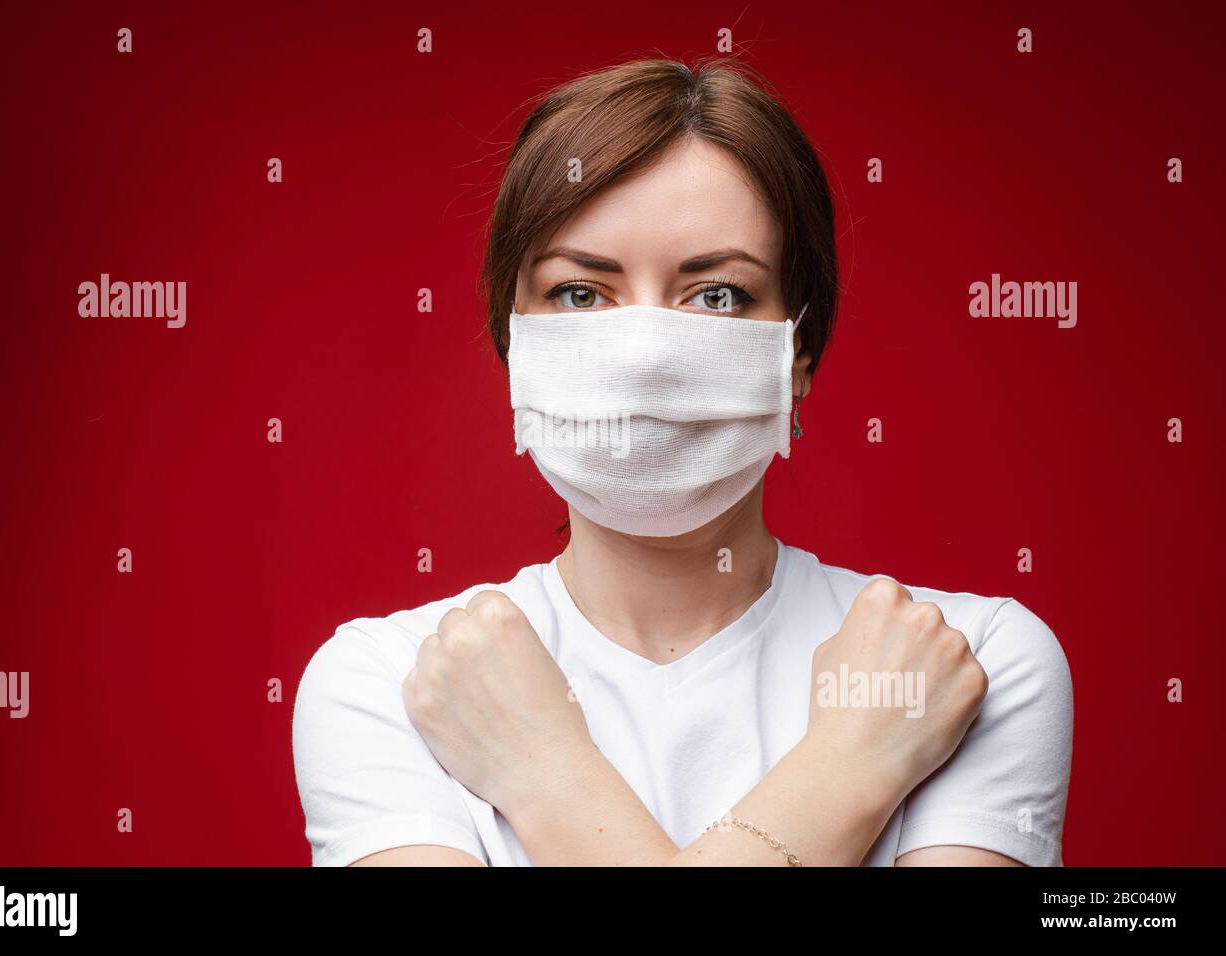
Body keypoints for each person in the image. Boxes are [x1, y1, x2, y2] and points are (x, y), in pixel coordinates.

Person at [292, 57, 1074, 867]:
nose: (644, 359)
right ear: (514, 340)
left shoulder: (964, 662)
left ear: (797, 348)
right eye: (581, 293)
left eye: (717, 294)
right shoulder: (395, 683)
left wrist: (540, 777)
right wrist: (854, 769)